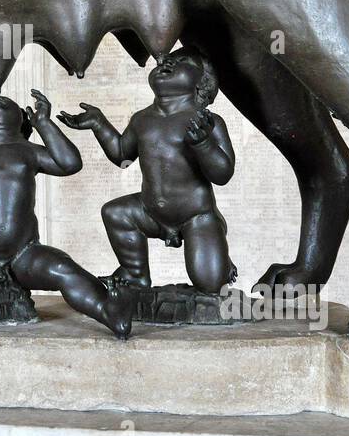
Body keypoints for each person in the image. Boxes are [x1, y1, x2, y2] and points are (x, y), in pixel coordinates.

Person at [0, 91, 132, 339]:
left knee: (63, 267)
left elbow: (69, 163)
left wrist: (44, 124)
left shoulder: (28, 150)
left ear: (22, 121)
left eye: (7, 102)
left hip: (24, 252)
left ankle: (109, 311)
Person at [58, 49, 236, 293]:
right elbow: (122, 156)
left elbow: (223, 175)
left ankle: (222, 261)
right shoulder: (142, 119)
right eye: (164, 60)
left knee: (211, 285)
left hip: (196, 215)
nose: (166, 63)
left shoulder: (206, 121)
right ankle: (135, 274)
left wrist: (203, 144)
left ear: (201, 82)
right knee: (115, 213)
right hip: (149, 211)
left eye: (181, 62)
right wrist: (98, 124)